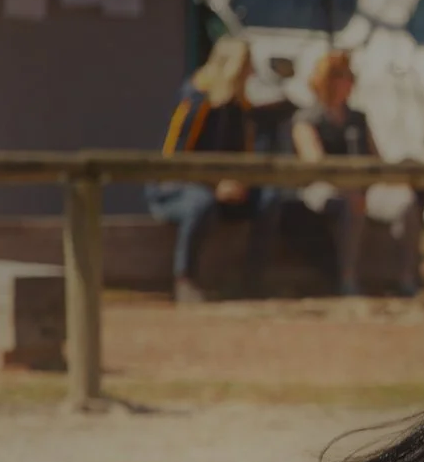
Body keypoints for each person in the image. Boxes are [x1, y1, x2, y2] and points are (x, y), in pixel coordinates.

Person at [260, 50, 410, 298]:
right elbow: (315, 164)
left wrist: (381, 183)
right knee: (348, 204)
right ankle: (347, 279)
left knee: (404, 202)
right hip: (320, 189)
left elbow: (377, 160)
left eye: (350, 76)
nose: (350, 81)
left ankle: (405, 277)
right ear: (327, 80)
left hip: (362, 187)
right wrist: (349, 187)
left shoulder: (358, 118)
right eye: (342, 76)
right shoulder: (307, 119)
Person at [147, 36, 257, 304]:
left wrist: (239, 182)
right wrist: (214, 184)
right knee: (201, 202)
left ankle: (252, 279)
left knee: (269, 199)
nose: (251, 74)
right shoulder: (196, 101)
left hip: (220, 187)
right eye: (246, 67)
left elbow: (245, 157)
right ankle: (185, 279)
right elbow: (172, 162)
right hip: (173, 191)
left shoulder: (239, 108)